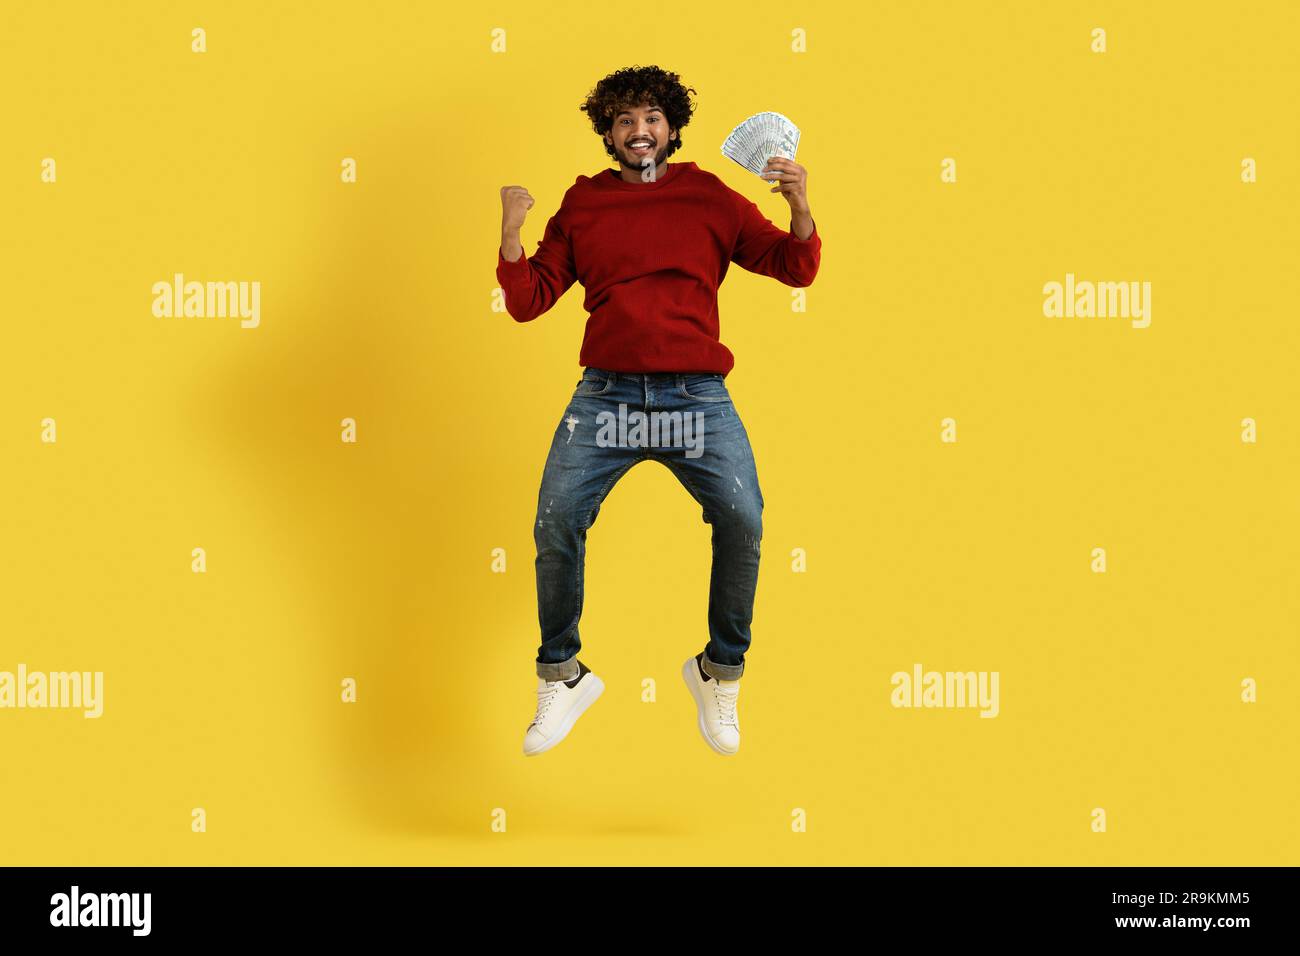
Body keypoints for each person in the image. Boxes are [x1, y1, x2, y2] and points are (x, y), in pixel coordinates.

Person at [496, 65, 821, 756]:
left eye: (650, 119)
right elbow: (530, 300)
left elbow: (792, 266)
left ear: (671, 128)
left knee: (742, 518)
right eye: (623, 122)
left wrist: (799, 207)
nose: (637, 132)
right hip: (608, 397)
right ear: (608, 135)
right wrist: (513, 236)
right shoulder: (582, 204)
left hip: (694, 399)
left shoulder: (710, 197)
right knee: (556, 520)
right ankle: (565, 674)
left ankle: (718, 672)